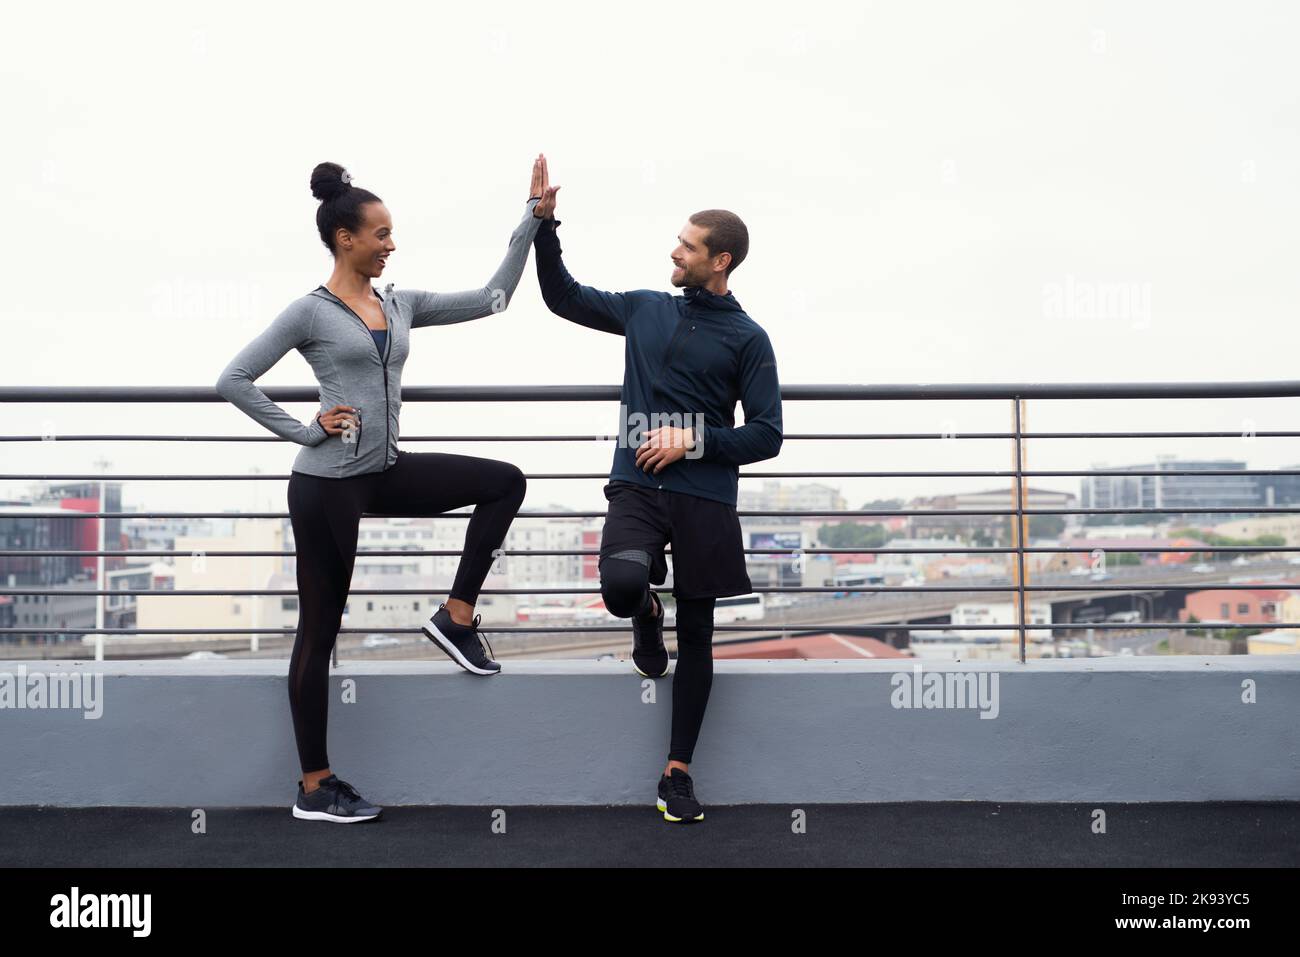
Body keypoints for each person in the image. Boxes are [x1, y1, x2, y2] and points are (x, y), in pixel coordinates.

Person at [215, 157, 549, 822]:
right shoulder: (309, 312)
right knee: (320, 630)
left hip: (384, 471)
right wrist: (307, 430)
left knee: (503, 483)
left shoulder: (400, 304)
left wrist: (532, 222)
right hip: (327, 485)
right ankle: (315, 784)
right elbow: (234, 378)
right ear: (346, 238)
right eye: (382, 233)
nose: (392, 244)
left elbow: (493, 299)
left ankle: (454, 615)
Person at [529, 159, 783, 823]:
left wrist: (691, 438)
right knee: (618, 585)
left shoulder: (749, 338)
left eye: (688, 245)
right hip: (637, 484)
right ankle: (645, 615)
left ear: (719, 260)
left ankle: (677, 771)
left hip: (704, 495)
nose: (675, 251)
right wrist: (543, 223)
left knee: (698, 632)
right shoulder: (645, 309)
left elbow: (767, 434)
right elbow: (563, 297)